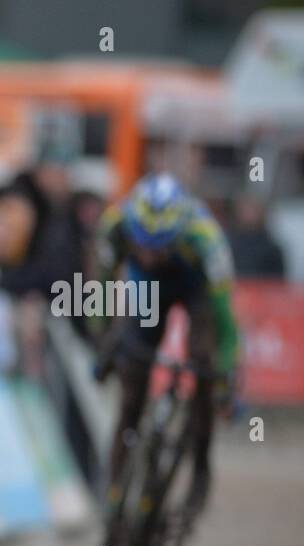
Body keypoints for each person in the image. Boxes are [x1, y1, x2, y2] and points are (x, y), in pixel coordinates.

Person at [93, 173, 240, 520]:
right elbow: (98, 287)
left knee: (203, 361)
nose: (148, 254)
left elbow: (225, 316)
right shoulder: (116, 225)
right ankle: (117, 488)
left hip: (196, 289)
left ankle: (201, 468)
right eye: (142, 244)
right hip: (150, 291)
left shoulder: (206, 238)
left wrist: (225, 369)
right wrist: (102, 341)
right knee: (132, 386)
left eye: (159, 247)